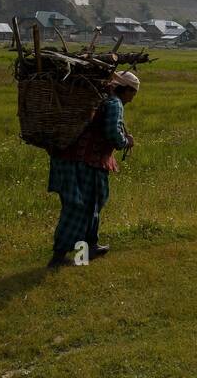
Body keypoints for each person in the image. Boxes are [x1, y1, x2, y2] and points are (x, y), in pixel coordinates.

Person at [47, 70, 137, 267]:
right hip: (86, 162)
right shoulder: (114, 103)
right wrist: (124, 142)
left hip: (68, 159)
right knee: (80, 207)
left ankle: (90, 246)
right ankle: (59, 256)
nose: (132, 98)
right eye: (133, 93)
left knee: (90, 204)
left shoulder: (102, 99)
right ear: (126, 90)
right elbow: (112, 132)